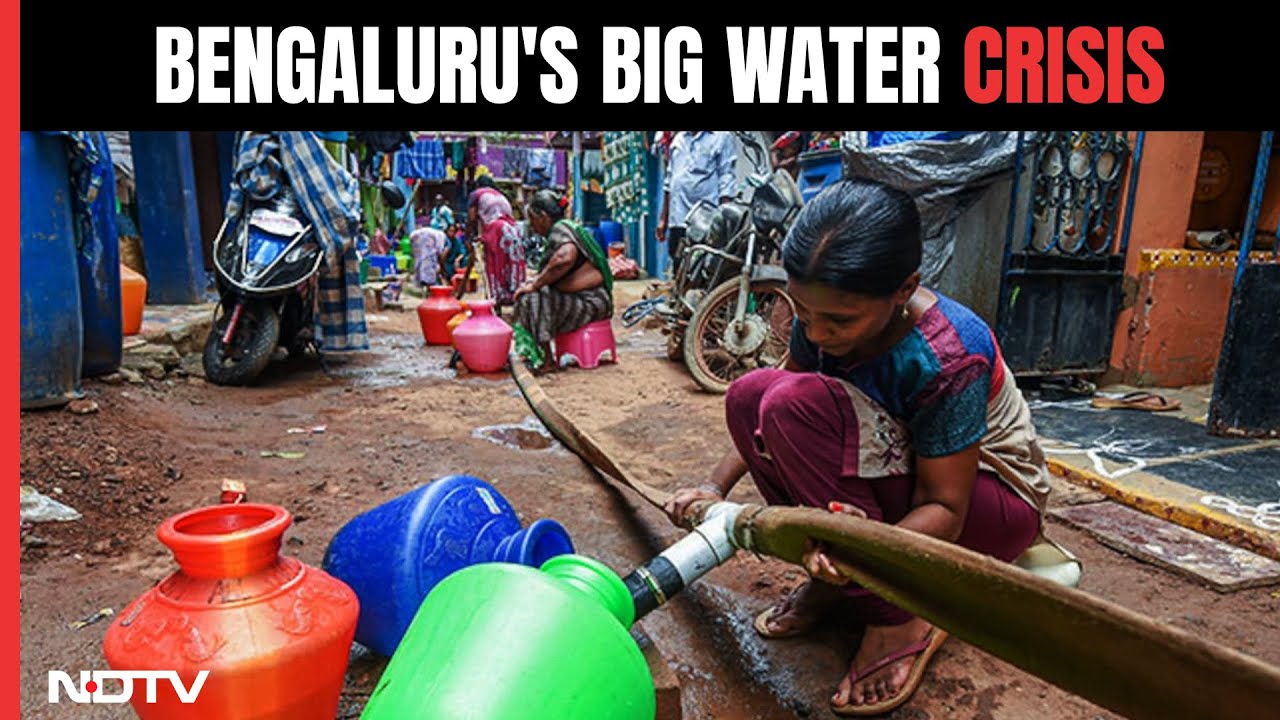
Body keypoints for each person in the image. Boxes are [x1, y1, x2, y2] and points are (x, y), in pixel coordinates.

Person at [662, 179, 1056, 717]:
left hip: (988, 508)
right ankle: (843, 581)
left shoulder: (948, 354)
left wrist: (856, 543)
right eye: (804, 314)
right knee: (752, 394)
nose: (818, 332)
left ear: (903, 288)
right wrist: (713, 486)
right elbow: (763, 412)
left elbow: (946, 508)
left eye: (839, 321)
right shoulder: (819, 314)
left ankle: (898, 615)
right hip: (896, 483)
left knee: (793, 404)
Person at [511, 189, 613, 373]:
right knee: (533, 294)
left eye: (532, 220)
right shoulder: (566, 228)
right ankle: (539, 355)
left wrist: (536, 284)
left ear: (542, 216)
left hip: (592, 302)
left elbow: (565, 258)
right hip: (592, 300)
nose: (532, 227)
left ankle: (546, 359)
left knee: (533, 297)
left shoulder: (560, 229)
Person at [657, 131, 739, 274]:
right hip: (678, 219)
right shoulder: (678, 139)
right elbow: (669, 181)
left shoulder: (721, 137)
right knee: (678, 264)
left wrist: (724, 218)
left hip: (704, 221)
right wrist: (663, 218)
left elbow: (726, 178)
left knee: (703, 268)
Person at [466, 178, 526, 310]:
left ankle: (496, 303)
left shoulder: (476, 194)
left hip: (497, 229)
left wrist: (468, 237)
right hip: (513, 229)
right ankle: (514, 297)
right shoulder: (500, 195)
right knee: (510, 263)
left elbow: (471, 218)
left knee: (495, 264)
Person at [409, 215, 449, 287]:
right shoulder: (441, 235)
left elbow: (412, 252)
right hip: (430, 261)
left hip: (419, 260)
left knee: (420, 272)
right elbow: (440, 253)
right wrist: (443, 271)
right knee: (430, 277)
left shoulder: (414, 234)